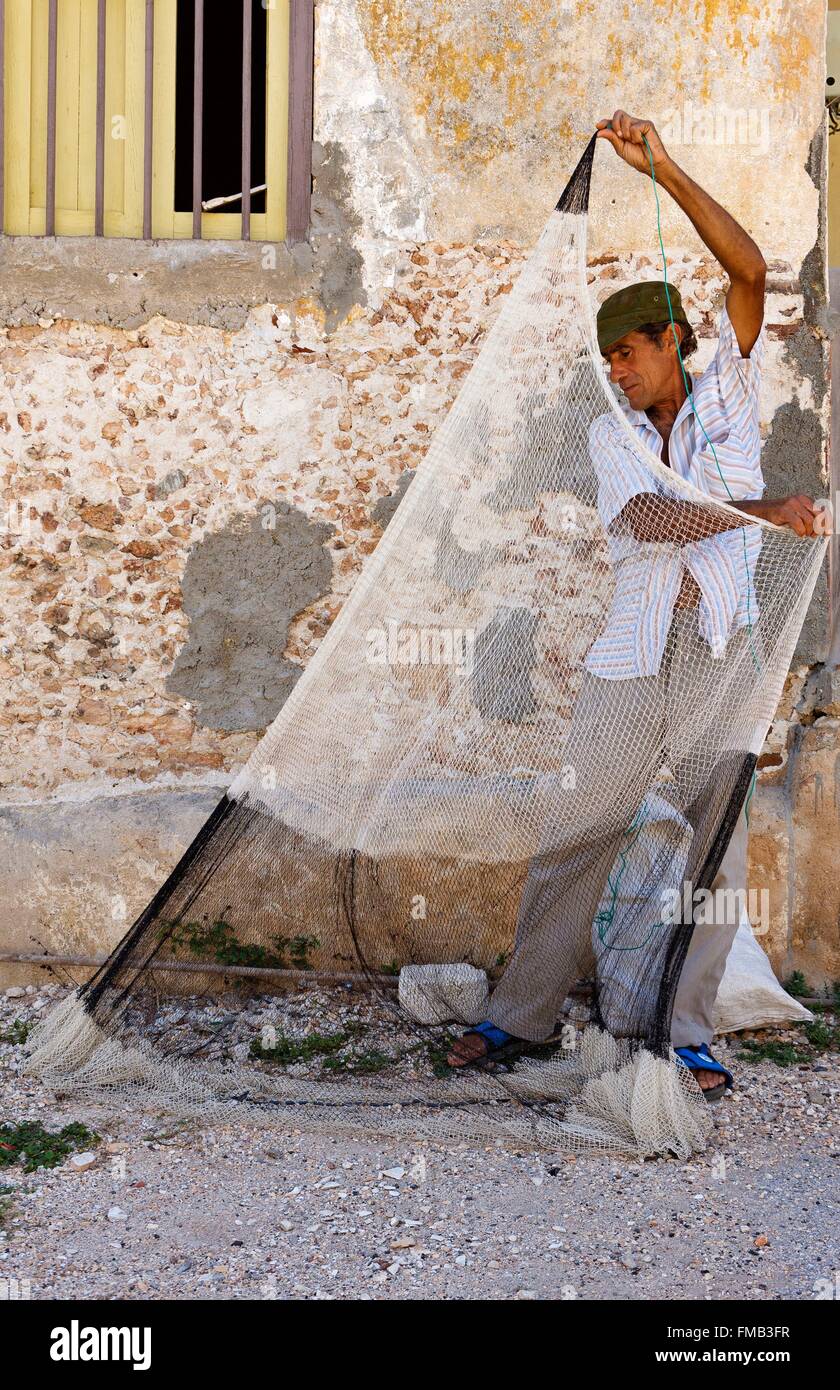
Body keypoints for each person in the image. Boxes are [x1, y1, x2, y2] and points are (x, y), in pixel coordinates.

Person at [447, 111, 823, 1097]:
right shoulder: (614, 436)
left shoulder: (731, 390)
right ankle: (517, 1018)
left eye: (630, 351)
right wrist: (762, 509)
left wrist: (663, 170)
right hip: (630, 659)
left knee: (714, 848)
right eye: (607, 356)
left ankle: (688, 1032)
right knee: (576, 832)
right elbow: (657, 518)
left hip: (719, 650)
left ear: (674, 342)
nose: (615, 369)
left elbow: (749, 271)